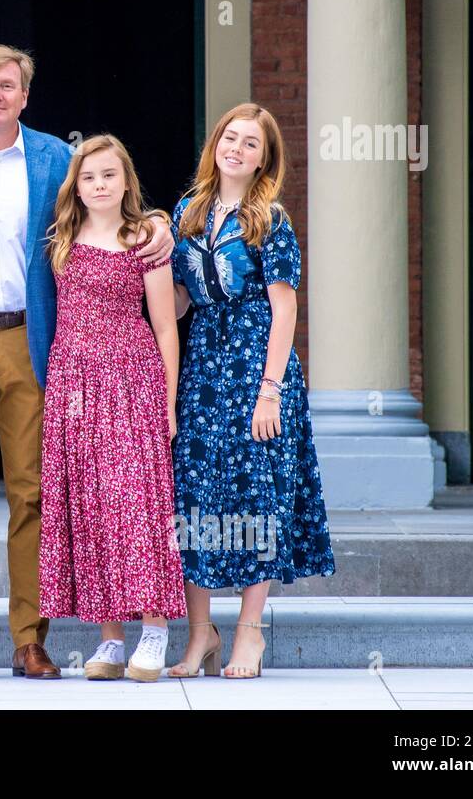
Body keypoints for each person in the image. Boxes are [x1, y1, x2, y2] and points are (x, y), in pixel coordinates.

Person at [0, 45, 174, 680]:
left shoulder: (60, 158)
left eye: (8, 85)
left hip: (39, 343)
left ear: (25, 96)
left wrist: (162, 222)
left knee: (36, 493)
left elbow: (113, 210)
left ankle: (31, 637)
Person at [167, 102, 336, 680]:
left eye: (251, 144)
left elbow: (285, 309)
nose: (236, 148)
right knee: (192, 494)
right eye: (230, 137)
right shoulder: (186, 212)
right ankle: (198, 636)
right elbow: (183, 300)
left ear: (265, 160)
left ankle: (249, 633)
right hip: (204, 365)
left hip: (259, 367)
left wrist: (269, 391)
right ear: (216, 143)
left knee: (256, 494)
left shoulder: (272, 219)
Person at [38, 134, 187, 682]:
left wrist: (166, 401)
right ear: (75, 185)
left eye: (108, 175)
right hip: (72, 382)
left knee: (136, 500)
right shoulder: (61, 237)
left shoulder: (143, 237)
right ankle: (110, 638)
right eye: (88, 176)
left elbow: (167, 325)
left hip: (130, 378)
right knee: (90, 503)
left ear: (127, 181)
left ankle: (155, 630)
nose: (99, 185)